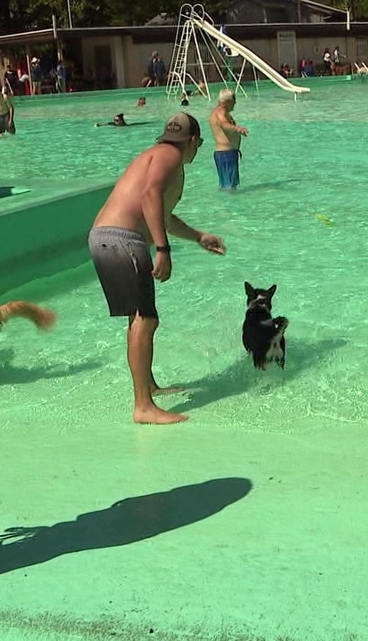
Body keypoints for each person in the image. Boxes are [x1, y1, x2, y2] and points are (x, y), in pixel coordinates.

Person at [87, 113, 226, 425]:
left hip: (103, 238)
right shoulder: (171, 157)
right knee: (145, 320)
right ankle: (143, 406)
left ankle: (147, 387)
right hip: (123, 240)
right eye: (199, 144)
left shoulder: (157, 155)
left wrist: (198, 237)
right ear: (192, 141)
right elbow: (150, 196)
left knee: (137, 318)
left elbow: (161, 214)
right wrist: (163, 249)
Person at [208, 89, 248, 191]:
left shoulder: (218, 112)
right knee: (230, 188)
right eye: (234, 100)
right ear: (228, 101)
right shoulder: (221, 113)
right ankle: (231, 206)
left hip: (225, 154)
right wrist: (238, 128)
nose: (235, 102)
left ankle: (226, 205)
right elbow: (225, 125)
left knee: (225, 186)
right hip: (226, 155)